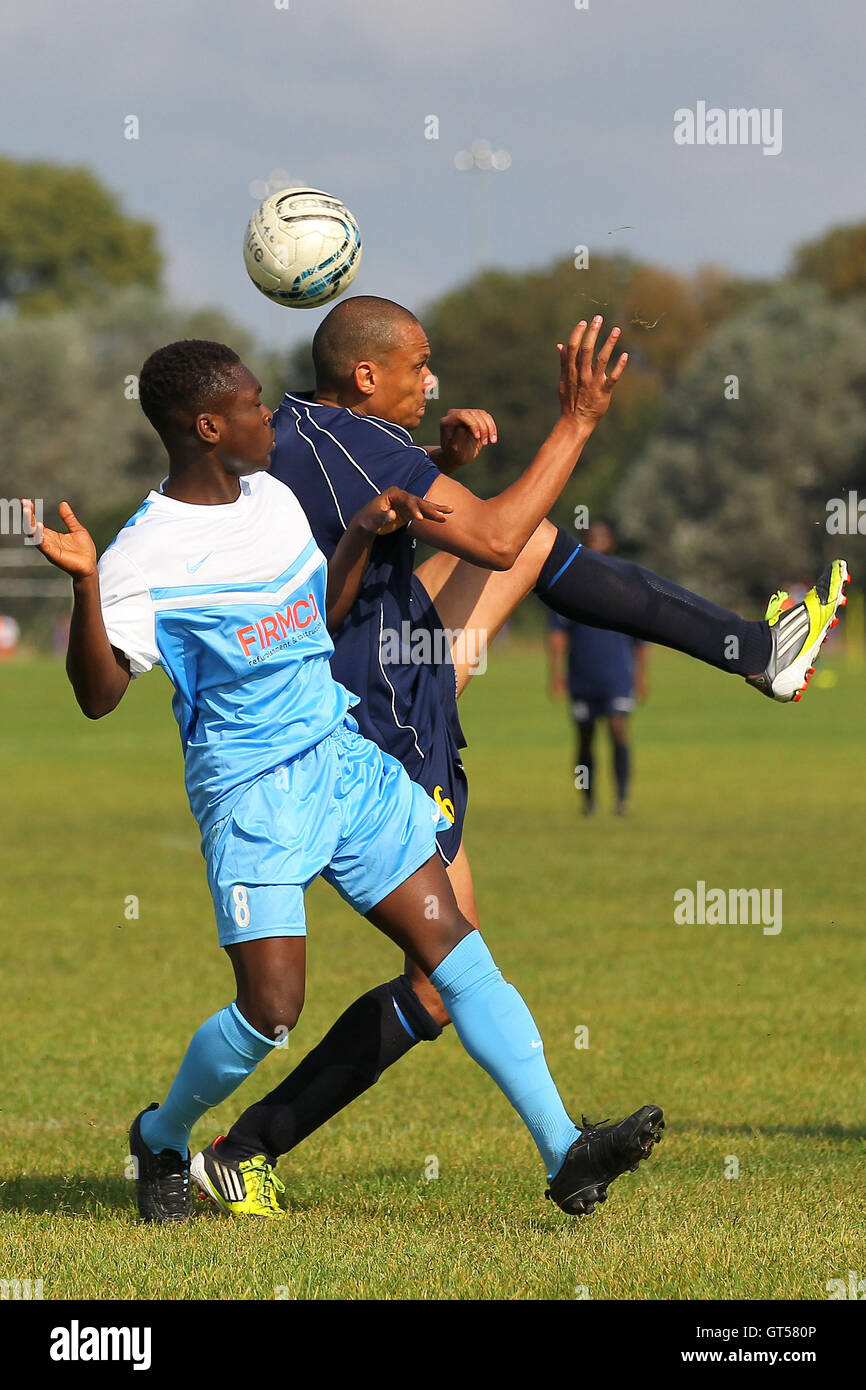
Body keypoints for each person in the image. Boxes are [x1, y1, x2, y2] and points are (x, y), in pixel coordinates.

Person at [190, 297, 848, 1217]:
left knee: (442, 983)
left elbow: (376, 493)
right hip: (376, 712)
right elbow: (490, 534)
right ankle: (252, 1146)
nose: (433, 381)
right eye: (419, 366)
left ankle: (251, 1146)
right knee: (445, 973)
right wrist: (577, 421)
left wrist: (441, 463)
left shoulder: (304, 424)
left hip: (377, 665)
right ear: (367, 376)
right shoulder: (356, 444)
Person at [21, 338, 664, 1224]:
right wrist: (87, 587)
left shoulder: (275, 498)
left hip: (342, 760)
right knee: (271, 1010)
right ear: (208, 427)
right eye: (252, 406)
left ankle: (565, 1152)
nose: (268, 417)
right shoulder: (146, 554)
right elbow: (98, 696)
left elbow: (318, 613)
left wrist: (361, 530)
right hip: (253, 794)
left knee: (456, 952)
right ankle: (163, 1136)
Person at [547, 520, 648, 815]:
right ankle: (588, 801)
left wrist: (641, 675)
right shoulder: (569, 582)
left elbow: (640, 635)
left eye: (601, 539)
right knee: (585, 737)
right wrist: (555, 673)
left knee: (619, 730)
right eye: (591, 539)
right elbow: (557, 634)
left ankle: (622, 798)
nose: (596, 543)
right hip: (582, 675)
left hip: (616, 675)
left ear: (610, 543)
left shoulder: (624, 582)